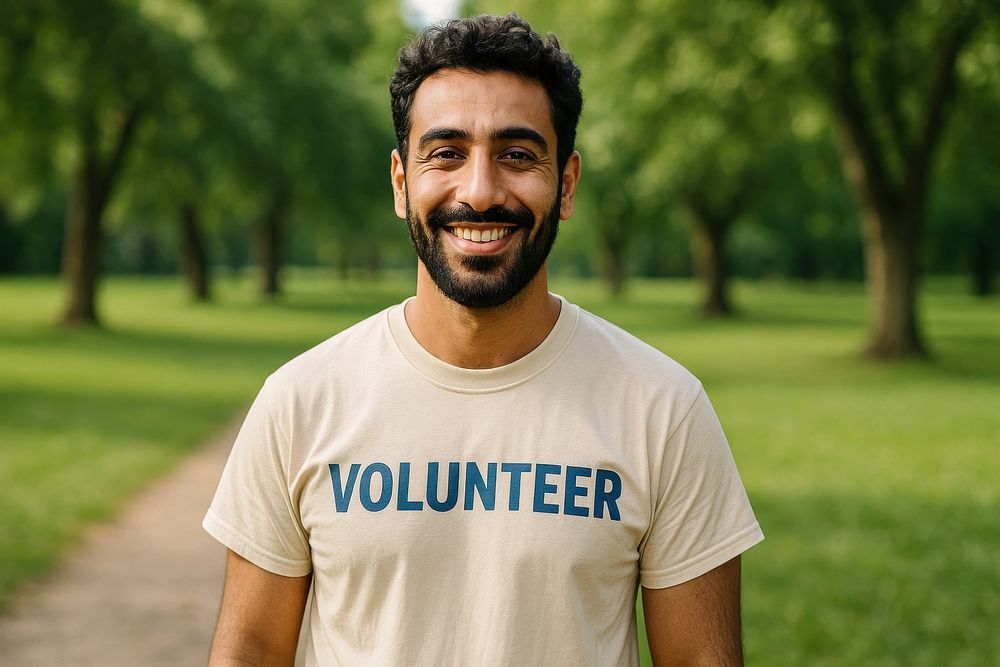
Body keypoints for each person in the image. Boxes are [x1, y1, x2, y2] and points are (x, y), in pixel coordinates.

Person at [204, 13, 763, 666]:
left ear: (568, 183)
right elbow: (248, 651)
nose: (479, 190)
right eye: (446, 153)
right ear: (399, 180)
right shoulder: (300, 402)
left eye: (518, 155)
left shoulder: (664, 408)